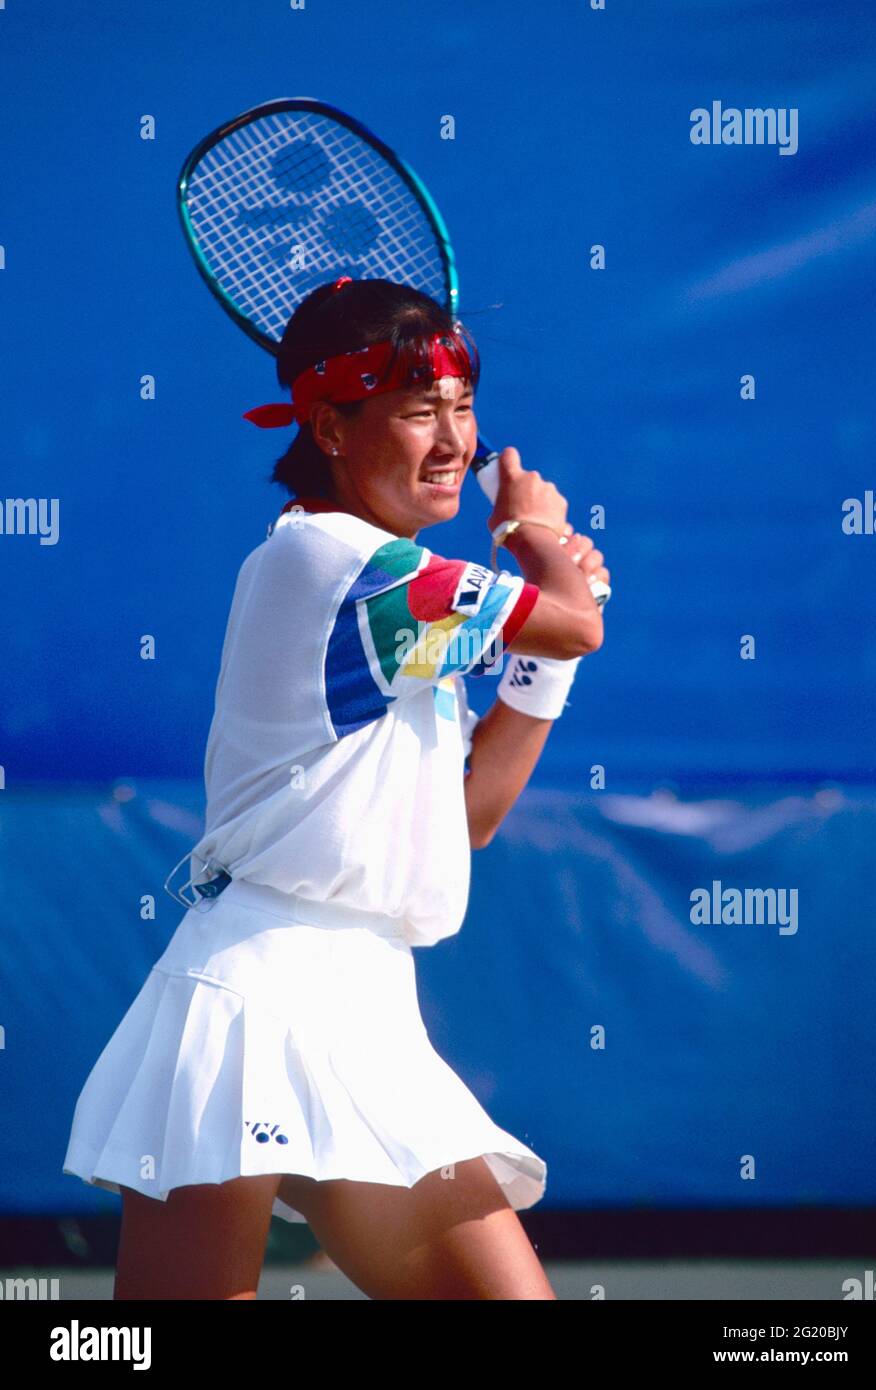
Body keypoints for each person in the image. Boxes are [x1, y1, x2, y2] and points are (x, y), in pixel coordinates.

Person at [62, 277, 610, 1300]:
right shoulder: (343, 565)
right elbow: (574, 616)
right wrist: (536, 539)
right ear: (330, 427)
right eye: (416, 413)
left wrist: (547, 649)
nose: (452, 442)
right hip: (253, 1001)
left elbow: (471, 814)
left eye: (460, 409)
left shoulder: (393, 598)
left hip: (365, 1011)